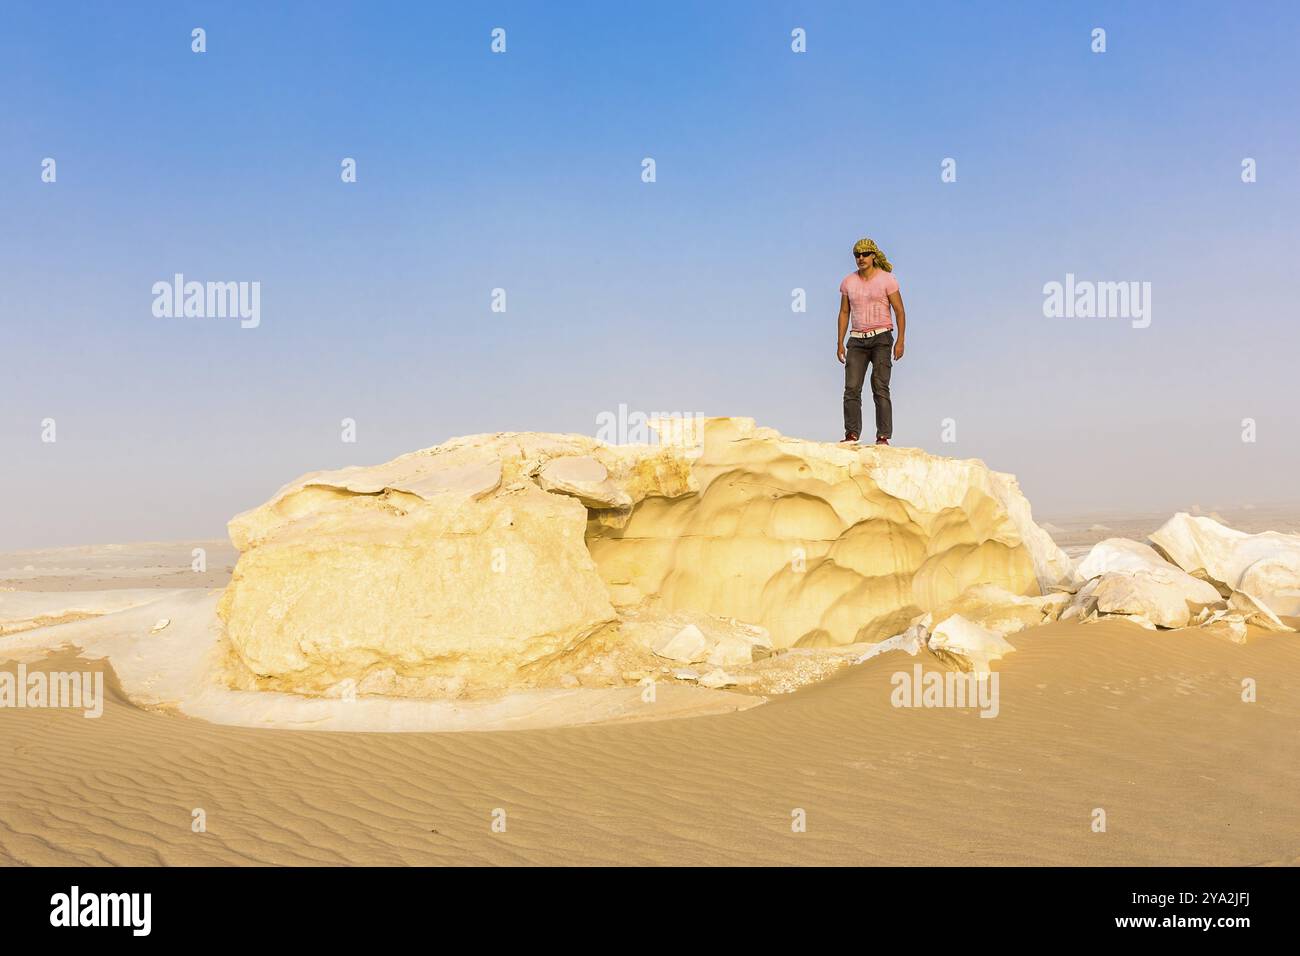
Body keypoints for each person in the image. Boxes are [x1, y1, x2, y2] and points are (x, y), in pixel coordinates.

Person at [836, 237, 906, 444]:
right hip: (857, 340)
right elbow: (844, 312)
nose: (860, 258)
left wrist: (900, 340)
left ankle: (883, 436)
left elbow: (900, 311)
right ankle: (851, 434)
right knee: (851, 388)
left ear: (873, 256)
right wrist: (840, 342)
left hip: (882, 338)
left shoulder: (887, 279)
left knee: (880, 385)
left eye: (865, 254)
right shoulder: (848, 281)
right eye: (857, 255)